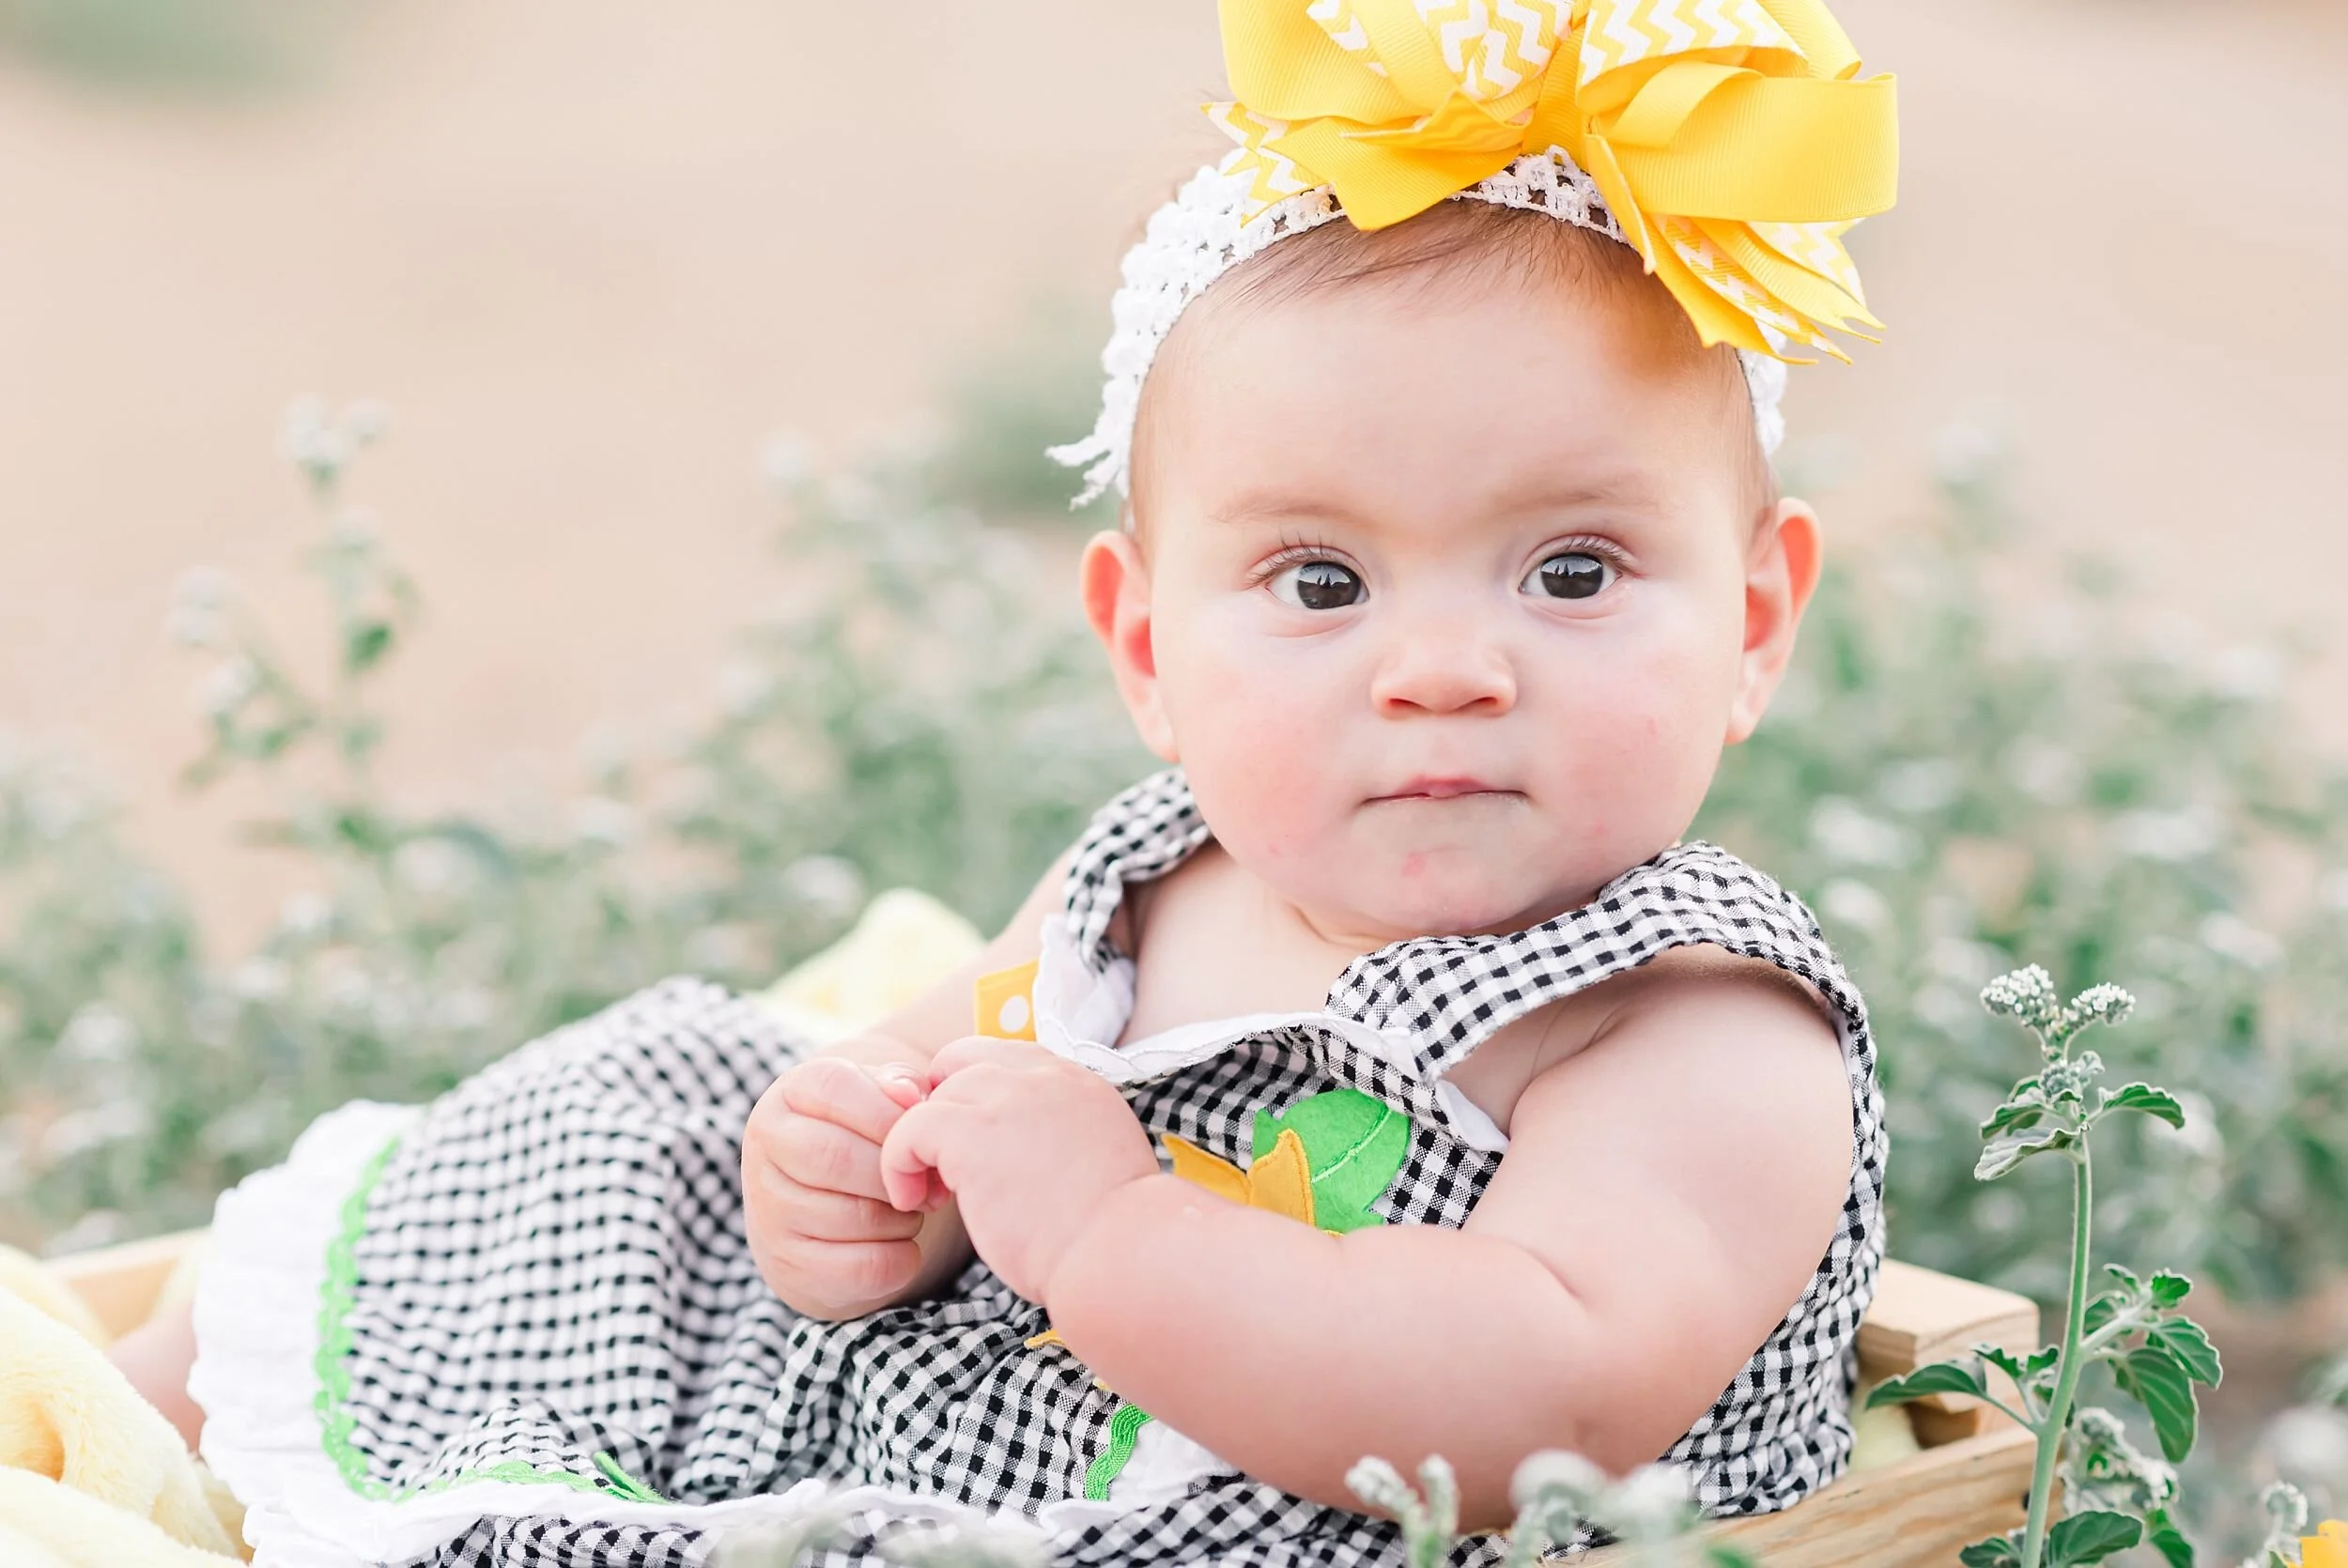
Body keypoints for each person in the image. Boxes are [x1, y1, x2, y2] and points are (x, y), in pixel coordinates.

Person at [125, 4, 1899, 1563]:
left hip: (1242, 1518)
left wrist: (1113, 1227)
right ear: (1144, 650)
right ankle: (132, 1432)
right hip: (953, 1414)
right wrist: (851, 1169)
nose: (1443, 665)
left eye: (1573, 571)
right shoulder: (1162, 867)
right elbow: (946, 1049)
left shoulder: (1698, 1030)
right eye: (1321, 583)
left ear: (1754, 619)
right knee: (649, 1100)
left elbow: (1538, 1404)